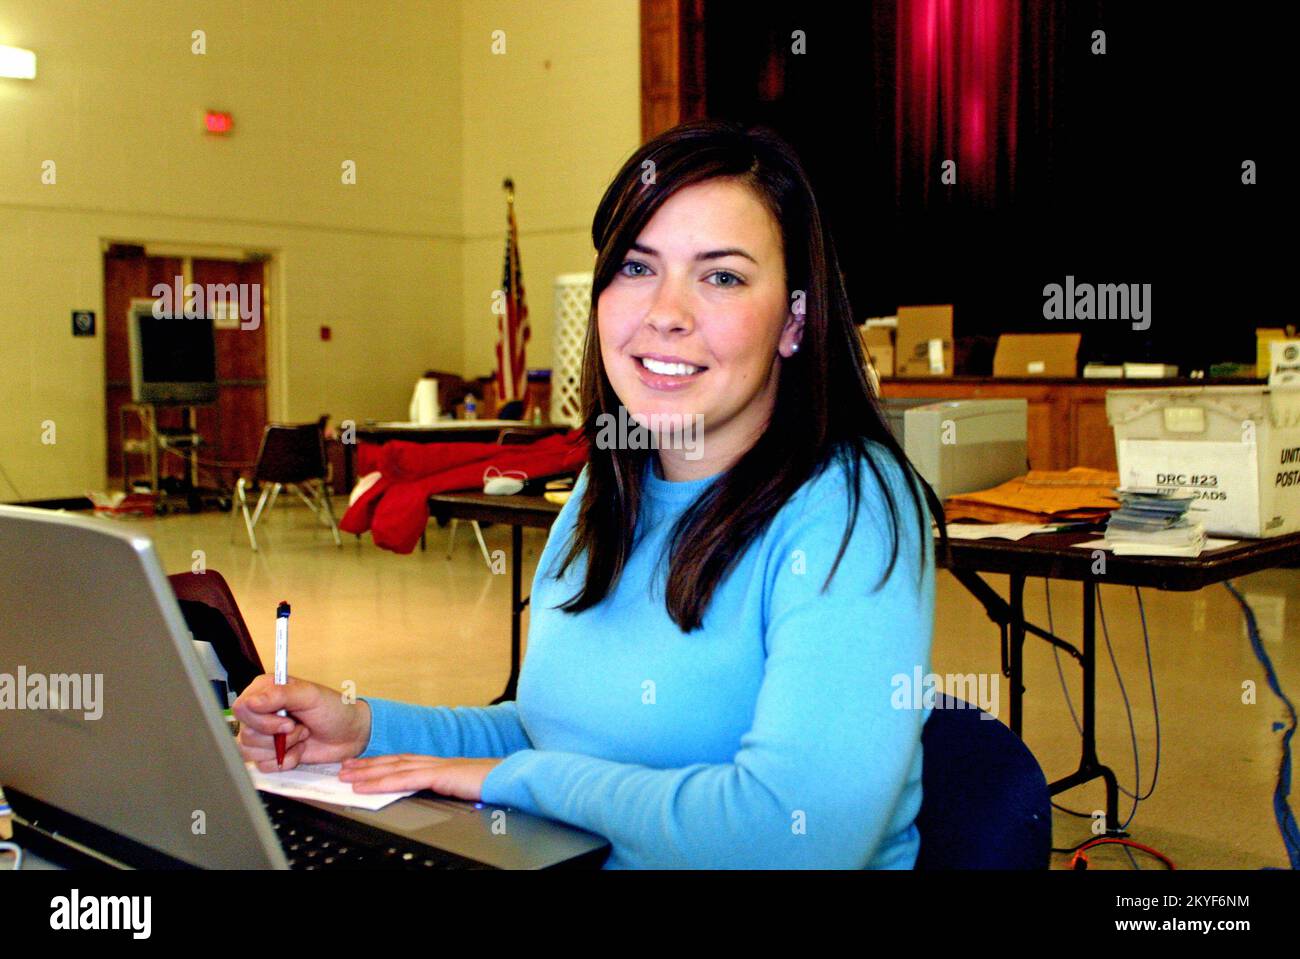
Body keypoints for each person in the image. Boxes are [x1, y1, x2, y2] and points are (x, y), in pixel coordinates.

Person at [234, 119, 946, 869]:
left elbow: (793, 836)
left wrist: (516, 782)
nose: (665, 312)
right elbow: (551, 736)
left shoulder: (850, 506)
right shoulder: (607, 487)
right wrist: (364, 728)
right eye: (637, 267)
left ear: (794, 321)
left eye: (722, 277)